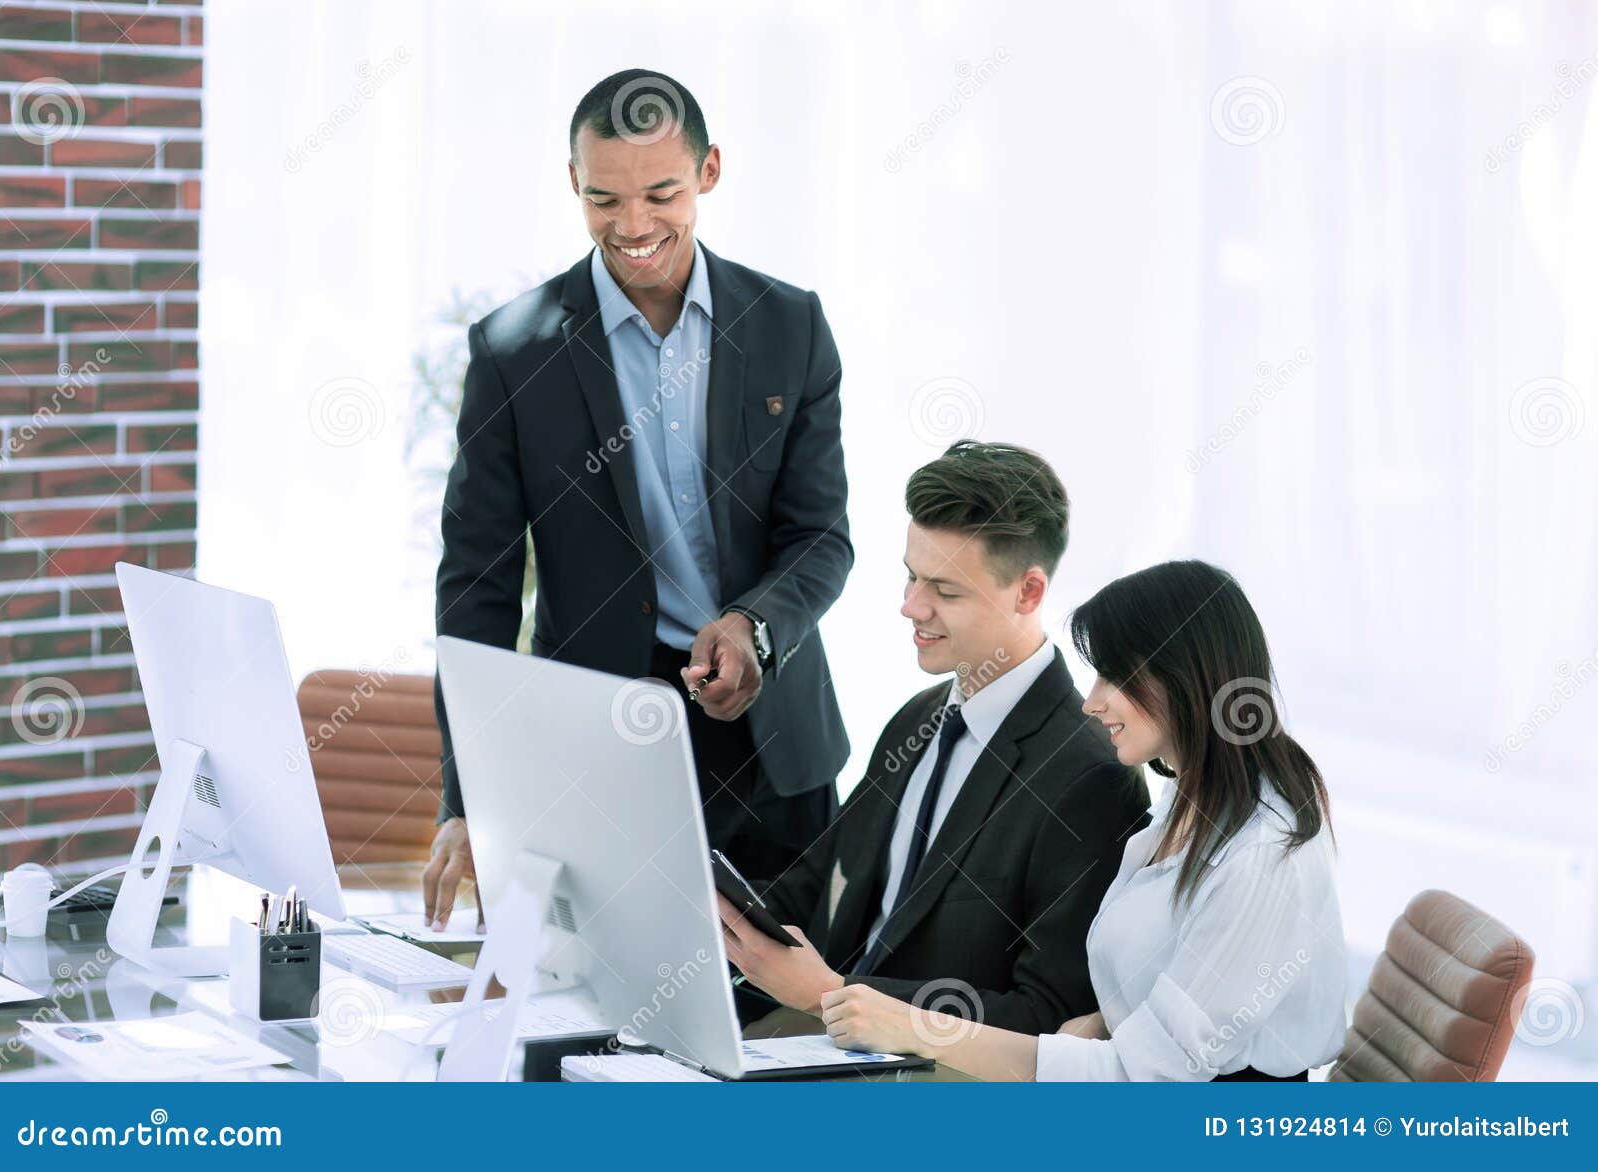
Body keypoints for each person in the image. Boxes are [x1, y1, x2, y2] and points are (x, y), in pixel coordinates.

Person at [423, 69, 854, 925]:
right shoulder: (514, 353)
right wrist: (468, 794)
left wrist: (754, 626)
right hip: (601, 745)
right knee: (602, 994)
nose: (633, 227)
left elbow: (821, 538)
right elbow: (477, 587)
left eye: (661, 195)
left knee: (789, 997)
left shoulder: (790, 325)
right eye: (604, 199)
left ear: (709, 171)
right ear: (572, 183)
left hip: (775, 743)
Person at [819, 559, 1347, 1079]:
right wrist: (1104, 1022)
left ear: (1183, 677)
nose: (1091, 703)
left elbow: (1142, 1077)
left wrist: (915, 1028)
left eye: (1114, 677)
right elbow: (1174, 994)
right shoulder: (1191, 799)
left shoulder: (1263, 852)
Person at [715, 442, 1149, 1034]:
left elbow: (1048, 1018)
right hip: (814, 1043)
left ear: (1029, 592)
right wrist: (701, 908)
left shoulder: (1092, 776)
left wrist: (831, 996)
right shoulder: (917, 719)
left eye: (945, 591)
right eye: (911, 576)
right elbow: (812, 886)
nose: (910, 607)